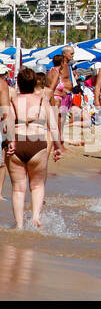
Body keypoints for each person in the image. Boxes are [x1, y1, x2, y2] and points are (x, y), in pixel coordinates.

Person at [3, 67, 63, 229]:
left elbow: (7, 123)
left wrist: (9, 142)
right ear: (35, 83)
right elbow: (53, 127)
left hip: (17, 142)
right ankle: (36, 217)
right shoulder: (43, 102)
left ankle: (20, 224)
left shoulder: (13, 102)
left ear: (19, 84)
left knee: (18, 188)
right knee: (37, 185)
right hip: (38, 144)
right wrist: (58, 147)